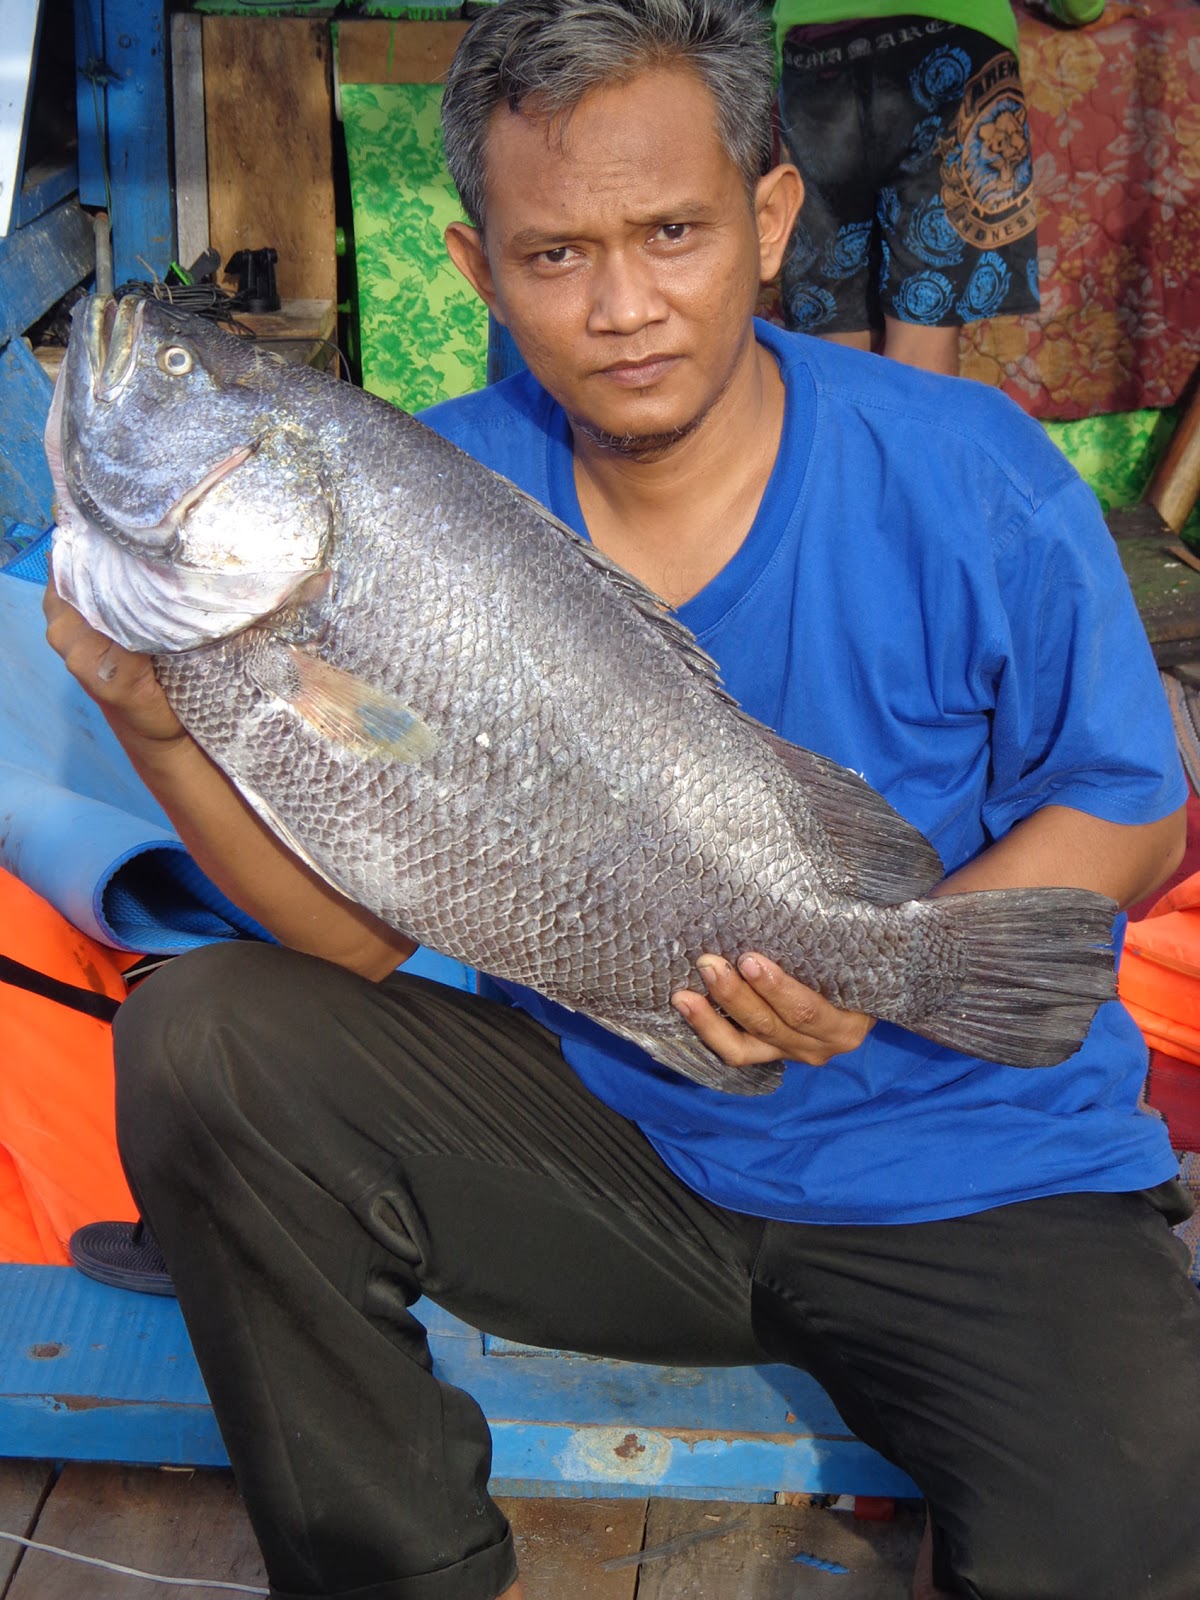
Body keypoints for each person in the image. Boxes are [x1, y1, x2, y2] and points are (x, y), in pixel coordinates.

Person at [43, 1, 1200, 1597]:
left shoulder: (968, 466)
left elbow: (1130, 811)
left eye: (673, 234)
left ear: (771, 217)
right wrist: (158, 726)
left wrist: (882, 971)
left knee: (1123, 1549)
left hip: (976, 1173)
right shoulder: (419, 498)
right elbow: (366, 949)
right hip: (617, 1151)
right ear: (475, 268)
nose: (625, 306)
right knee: (206, 1033)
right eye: (556, 256)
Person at [772, 2, 1040, 375]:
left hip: (816, 50)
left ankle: (840, 433)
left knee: (830, 336)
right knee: (924, 325)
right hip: (955, 33)